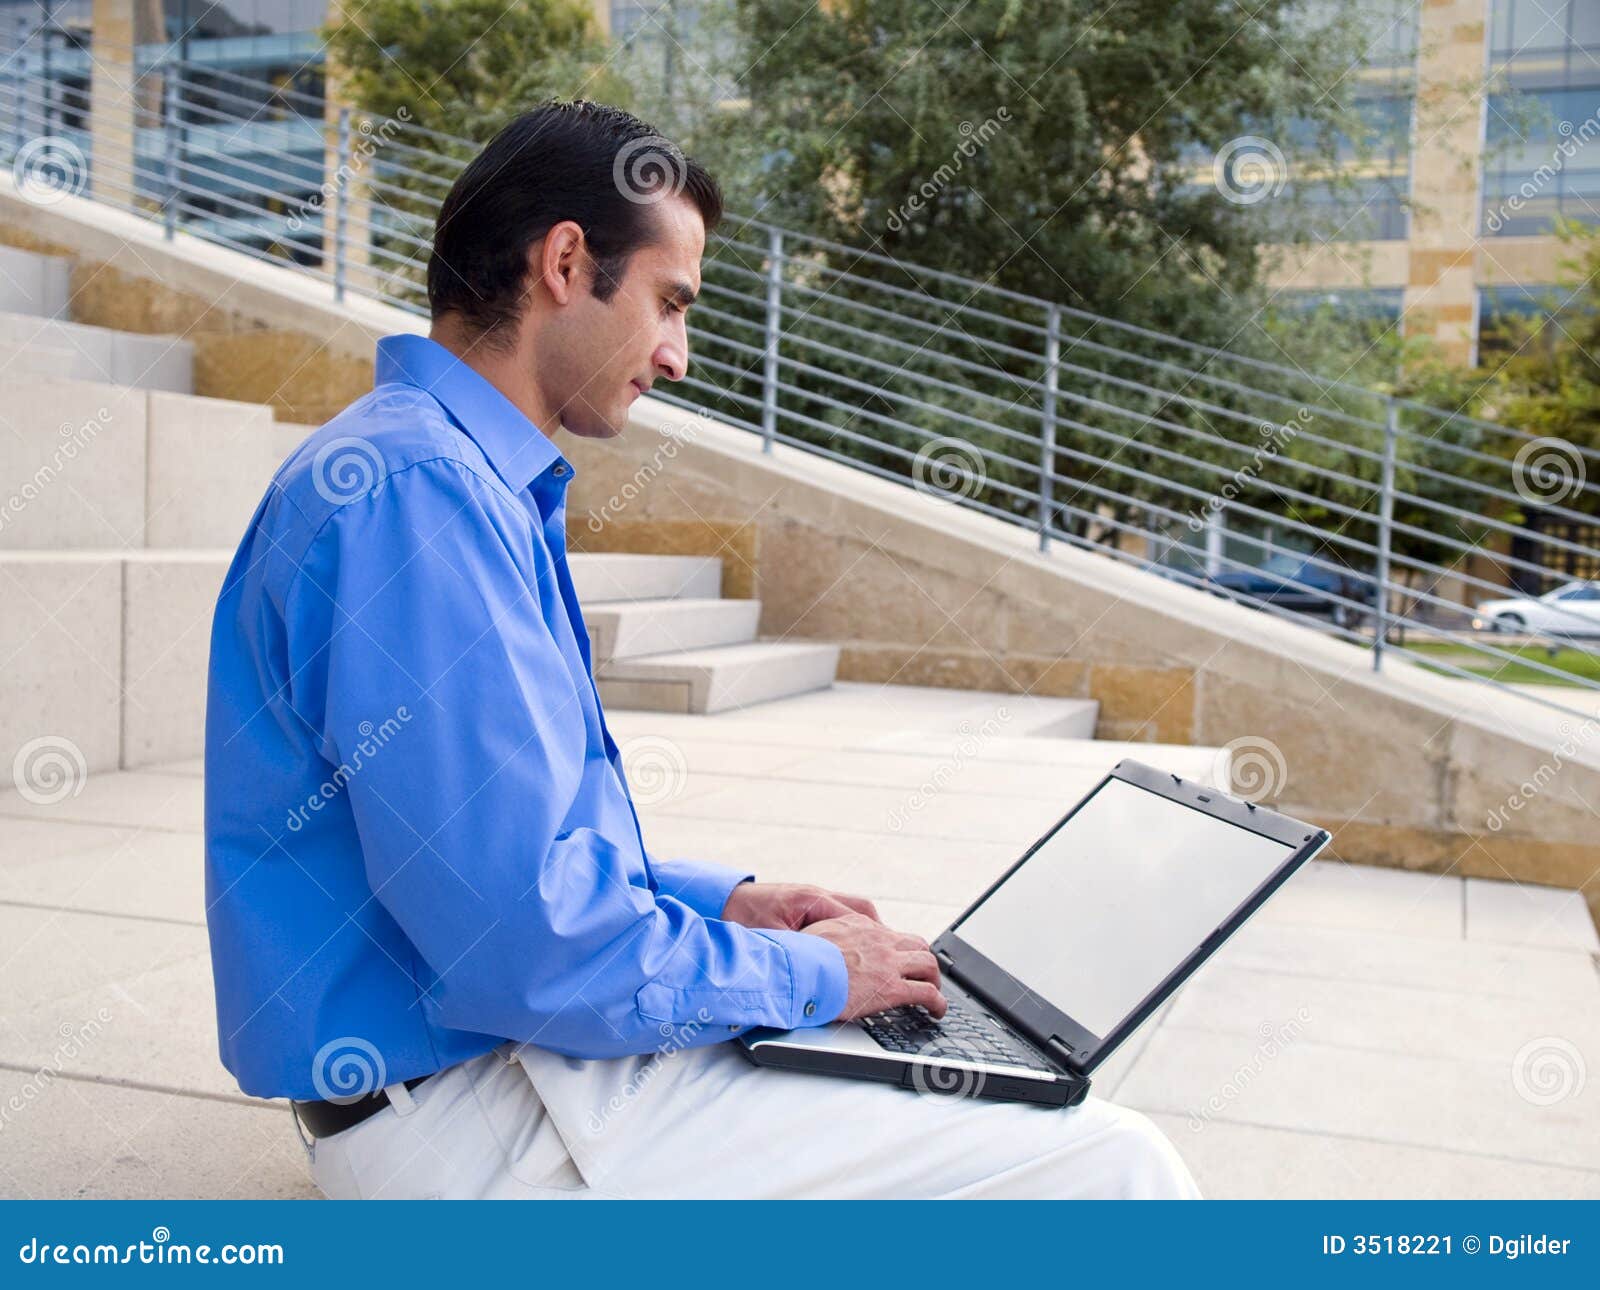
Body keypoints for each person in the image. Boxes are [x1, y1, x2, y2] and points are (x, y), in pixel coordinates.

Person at [203, 100, 1200, 1200]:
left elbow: (493, 859)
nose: (676, 357)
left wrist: (720, 907)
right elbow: (521, 940)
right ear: (567, 264)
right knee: (1112, 1162)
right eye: (670, 304)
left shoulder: (435, 472)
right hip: (472, 1117)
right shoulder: (421, 497)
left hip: (486, 1071)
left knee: (989, 1104)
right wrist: (811, 975)